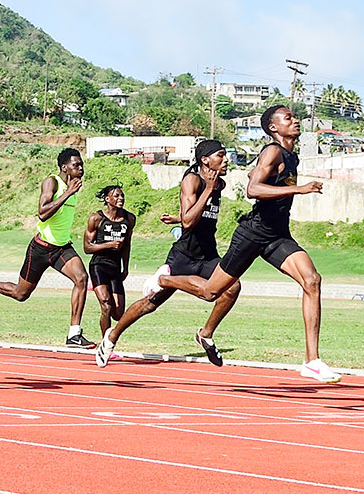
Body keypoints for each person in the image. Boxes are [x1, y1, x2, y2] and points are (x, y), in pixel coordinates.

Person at [144, 105, 340, 383]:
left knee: (312, 280)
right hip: (253, 233)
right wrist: (299, 188)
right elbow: (253, 189)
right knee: (211, 293)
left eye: (294, 117)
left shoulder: (291, 156)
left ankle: (312, 361)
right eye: (288, 118)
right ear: (274, 128)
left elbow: (255, 177)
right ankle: (165, 281)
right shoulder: (272, 150)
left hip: (277, 235)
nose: (295, 121)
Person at [96, 140, 241, 367]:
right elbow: (189, 221)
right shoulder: (192, 180)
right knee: (150, 305)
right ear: (205, 160)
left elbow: (190, 215)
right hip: (184, 256)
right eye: (221, 155)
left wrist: (177, 218)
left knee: (232, 287)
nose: (226, 160)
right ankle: (111, 337)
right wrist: (205, 194)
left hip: (208, 254)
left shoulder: (219, 184)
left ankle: (205, 334)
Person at [0, 147, 96, 348]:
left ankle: (74, 334)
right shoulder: (52, 182)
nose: (81, 168)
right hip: (40, 248)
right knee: (21, 294)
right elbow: (42, 213)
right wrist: (68, 193)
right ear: (65, 167)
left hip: (61, 248)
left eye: (81, 164)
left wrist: (72, 190)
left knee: (81, 278)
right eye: (76, 165)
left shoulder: (74, 185)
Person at [84, 185, 135, 344]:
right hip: (99, 265)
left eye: (122, 196)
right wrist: (109, 245)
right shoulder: (96, 218)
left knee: (118, 313)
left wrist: (125, 267)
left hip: (115, 267)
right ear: (107, 199)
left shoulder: (129, 219)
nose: (121, 198)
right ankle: (106, 343)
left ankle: (107, 329)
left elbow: (127, 245)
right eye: (117, 196)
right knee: (106, 306)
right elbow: (87, 247)